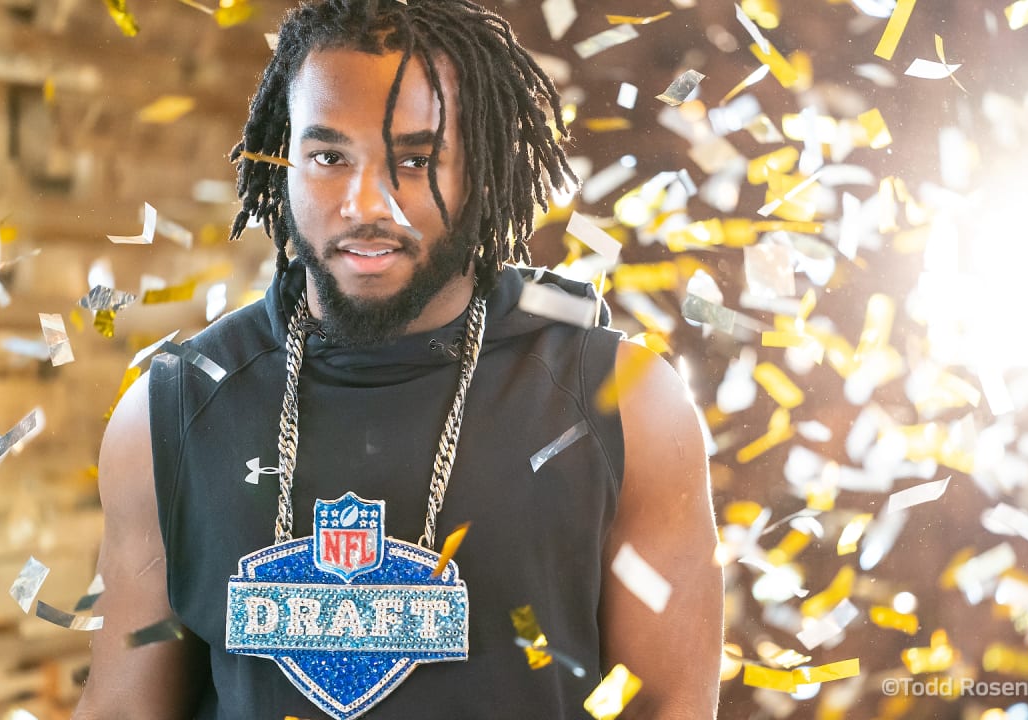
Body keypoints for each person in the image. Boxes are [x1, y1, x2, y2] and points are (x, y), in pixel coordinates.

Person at [75, 1, 721, 718]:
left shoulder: (625, 401)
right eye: (328, 158)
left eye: (415, 160)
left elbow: (670, 704)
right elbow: (123, 710)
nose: (366, 203)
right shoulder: (167, 412)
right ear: (280, 162)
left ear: (479, 166)